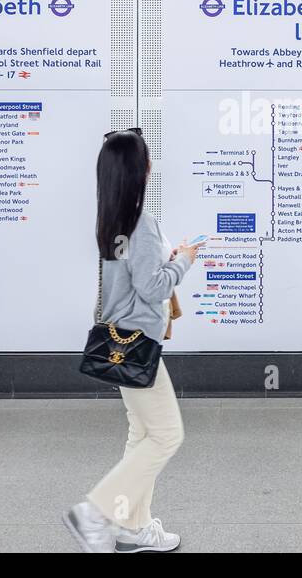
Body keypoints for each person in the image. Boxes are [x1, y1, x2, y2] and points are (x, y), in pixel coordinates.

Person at [65, 127, 202, 553]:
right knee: (166, 436)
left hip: (119, 341)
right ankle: (98, 513)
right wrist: (183, 260)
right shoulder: (140, 224)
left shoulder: (112, 220)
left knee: (142, 435)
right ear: (139, 171)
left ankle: (133, 527)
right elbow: (154, 288)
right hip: (139, 344)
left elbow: (125, 284)